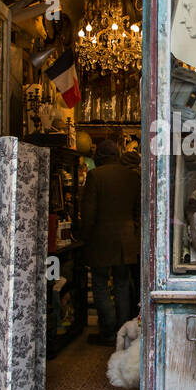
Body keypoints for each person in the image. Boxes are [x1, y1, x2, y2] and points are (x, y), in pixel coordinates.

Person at [80, 137, 140, 345]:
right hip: (127, 241)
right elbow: (138, 212)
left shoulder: (95, 176)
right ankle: (122, 332)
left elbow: (88, 213)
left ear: (99, 156)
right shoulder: (132, 177)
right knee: (122, 284)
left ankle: (107, 331)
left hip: (101, 240)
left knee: (100, 284)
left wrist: (83, 236)